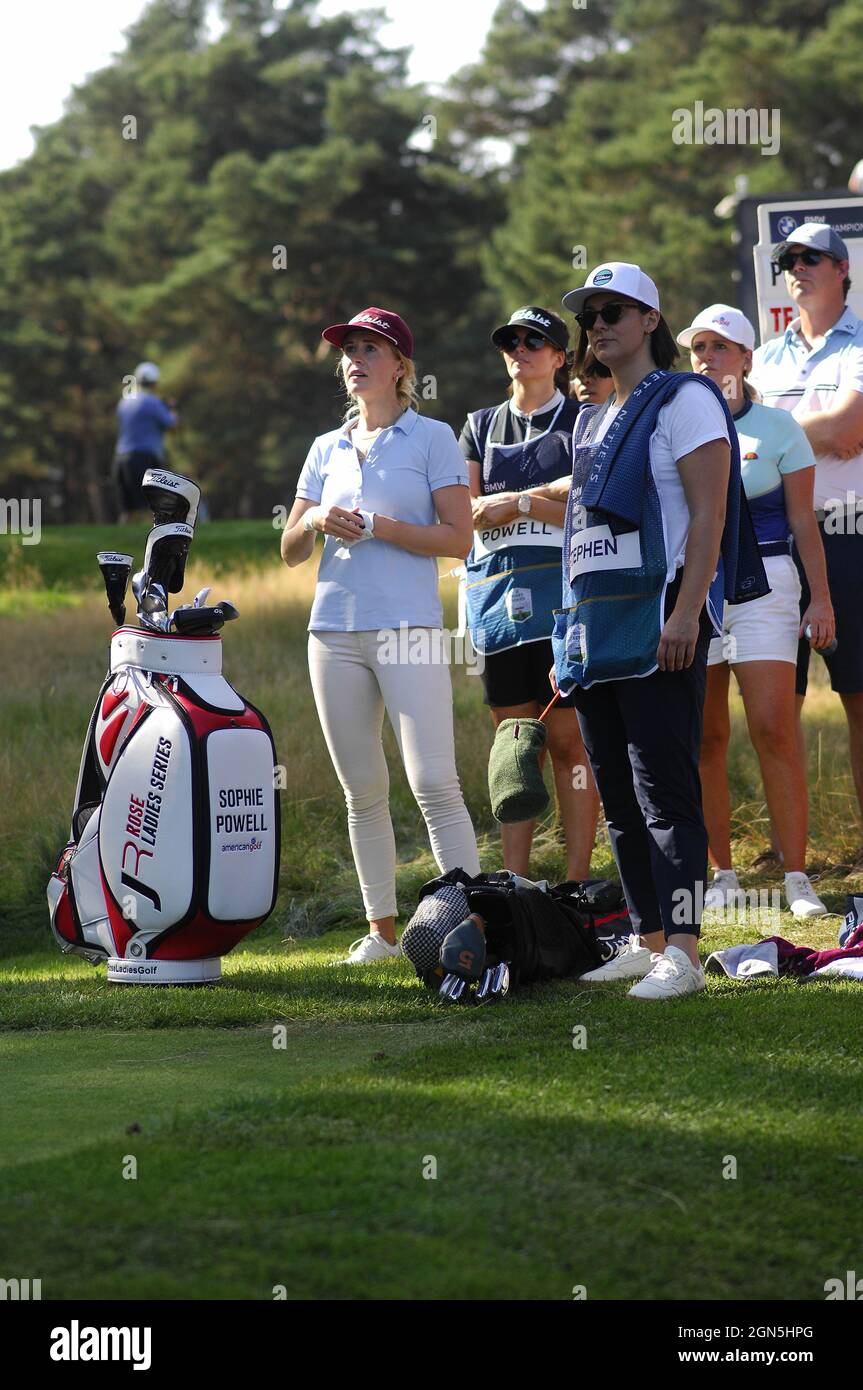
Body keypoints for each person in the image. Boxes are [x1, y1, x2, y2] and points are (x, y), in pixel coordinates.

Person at [550, 262, 767, 1000]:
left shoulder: (684, 397)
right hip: (597, 623)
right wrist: (568, 635)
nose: (598, 325)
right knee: (616, 791)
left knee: (663, 790)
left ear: (649, 321)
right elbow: (579, 537)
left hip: (662, 613)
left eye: (614, 311)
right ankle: (645, 940)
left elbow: (709, 514)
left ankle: (682, 947)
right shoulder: (592, 416)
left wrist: (685, 612)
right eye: (589, 317)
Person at [280, 307, 481, 964]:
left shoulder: (432, 437)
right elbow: (287, 550)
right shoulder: (323, 447)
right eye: (348, 350)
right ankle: (382, 933)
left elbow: (459, 538)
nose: (355, 360)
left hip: (408, 631)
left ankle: (471, 926)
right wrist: (312, 522)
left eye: (370, 348)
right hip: (331, 634)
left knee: (433, 782)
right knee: (361, 789)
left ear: (400, 367)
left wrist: (380, 528)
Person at [677, 304, 835, 917]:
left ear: (746, 358)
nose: (708, 359)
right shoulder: (677, 425)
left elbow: (803, 522)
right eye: (699, 349)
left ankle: (796, 878)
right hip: (699, 590)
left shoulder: (778, 427)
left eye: (721, 348)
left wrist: (821, 597)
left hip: (769, 585)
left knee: (775, 728)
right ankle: (723, 875)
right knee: (707, 736)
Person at [458, 306, 599, 880]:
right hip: (497, 608)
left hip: (566, 605)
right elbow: (465, 515)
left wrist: (516, 502)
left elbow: (587, 505)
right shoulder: (479, 425)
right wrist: (548, 498)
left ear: (560, 357)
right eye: (511, 341)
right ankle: (515, 883)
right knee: (514, 752)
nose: (520, 348)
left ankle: (575, 882)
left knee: (570, 746)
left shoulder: (583, 419)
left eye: (534, 341)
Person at [751, 223, 863, 861]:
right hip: (772, 538)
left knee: (858, 698)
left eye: (811, 257)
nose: (797, 267)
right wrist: (812, 432)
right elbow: (743, 444)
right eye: (788, 259)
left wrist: (777, 434)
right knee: (775, 709)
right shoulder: (764, 357)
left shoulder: (861, 340)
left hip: (849, 533)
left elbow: (852, 426)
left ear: (842, 268)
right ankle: (788, 852)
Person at [114, 362, 178, 522]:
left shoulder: (124, 402)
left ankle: (118, 544)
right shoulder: (153, 402)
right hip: (144, 459)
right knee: (150, 508)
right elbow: (171, 424)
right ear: (155, 383)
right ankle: (153, 545)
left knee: (127, 510)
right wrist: (171, 409)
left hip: (121, 459)